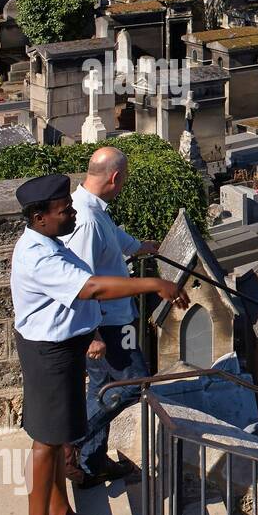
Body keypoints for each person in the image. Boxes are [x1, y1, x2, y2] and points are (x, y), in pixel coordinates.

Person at [11, 174, 189, 515]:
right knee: (46, 443)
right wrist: (155, 284)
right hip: (49, 354)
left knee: (56, 438)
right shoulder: (40, 255)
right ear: (40, 217)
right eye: (63, 211)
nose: (72, 214)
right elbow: (91, 287)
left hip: (60, 350)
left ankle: (59, 513)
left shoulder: (50, 242)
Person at [62, 146, 158, 486]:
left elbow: (116, 239)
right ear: (115, 178)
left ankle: (91, 462)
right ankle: (69, 445)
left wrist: (143, 247)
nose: (124, 184)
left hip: (113, 320)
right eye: (124, 179)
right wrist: (92, 335)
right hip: (107, 324)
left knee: (101, 388)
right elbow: (80, 283)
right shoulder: (86, 221)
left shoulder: (90, 207)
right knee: (132, 384)